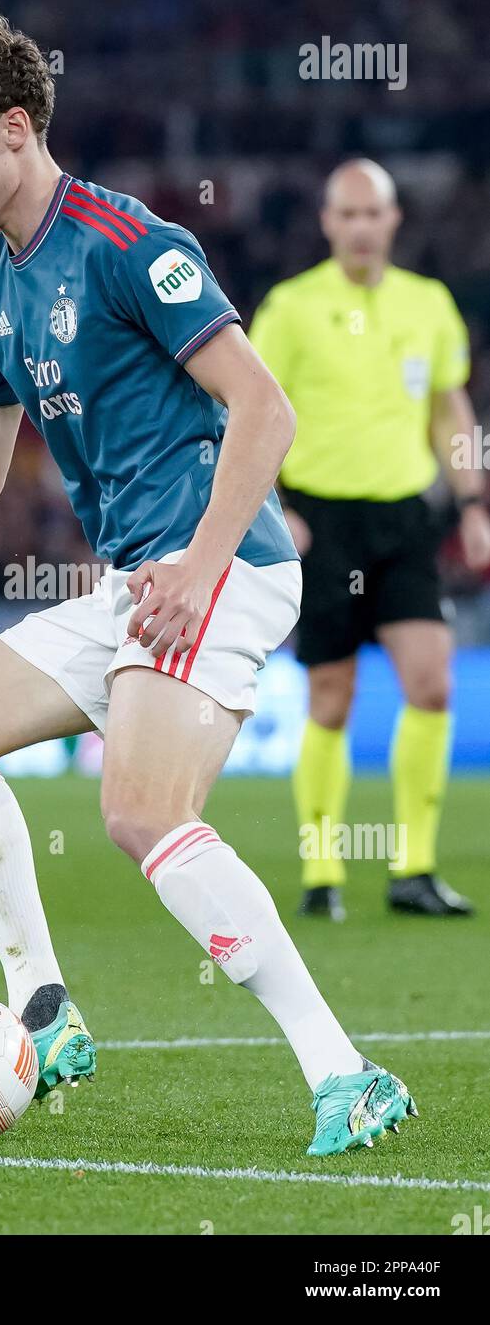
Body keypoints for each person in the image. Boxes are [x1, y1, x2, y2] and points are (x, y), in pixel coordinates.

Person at [0, 17, 416, 1156]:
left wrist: (198, 564)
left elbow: (266, 409)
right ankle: (45, 1011)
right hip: (138, 586)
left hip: (224, 568)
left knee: (140, 812)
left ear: (15, 125)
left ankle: (346, 1073)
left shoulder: (129, 244)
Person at [250, 160, 490, 921]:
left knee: (431, 683)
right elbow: (248, 411)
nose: (359, 227)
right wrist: (271, 503)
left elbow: (450, 412)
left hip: (403, 518)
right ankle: (323, 872)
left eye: (371, 214)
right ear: (327, 222)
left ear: (392, 221)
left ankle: (411, 868)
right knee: (330, 697)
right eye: (345, 214)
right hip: (320, 519)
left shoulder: (428, 304)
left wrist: (475, 501)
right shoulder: (289, 309)